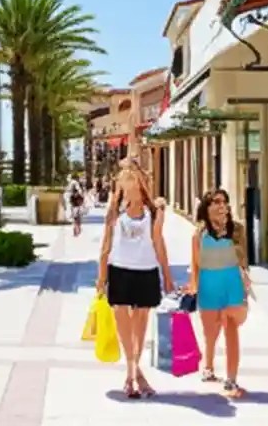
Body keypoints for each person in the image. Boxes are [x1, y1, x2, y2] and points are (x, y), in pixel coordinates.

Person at [96, 164, 175, 398]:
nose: (130, 185)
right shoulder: (115, 211)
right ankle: (134, 374)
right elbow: (106, 245)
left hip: (146, 271)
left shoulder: (154, 211)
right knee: (124, 327)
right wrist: (101, 277)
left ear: (141, 184)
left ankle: (132, 374)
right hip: (119, 271)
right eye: (125, 181)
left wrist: (167, 275)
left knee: (139, 327)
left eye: (134, 180)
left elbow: (159, 243)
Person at [187, 188, 250, 397]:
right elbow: (195, 264)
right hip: (208, 285)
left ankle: (231, 380)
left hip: (232, 284)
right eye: (216, 202)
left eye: (224, 202)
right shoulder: (199, 233)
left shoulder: (237, 230)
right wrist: (193, 287)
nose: (221, 205)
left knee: (231, 328)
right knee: (211, 332)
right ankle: (209, 365)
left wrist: (246, 278)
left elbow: (243, 259)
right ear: (207, 208)